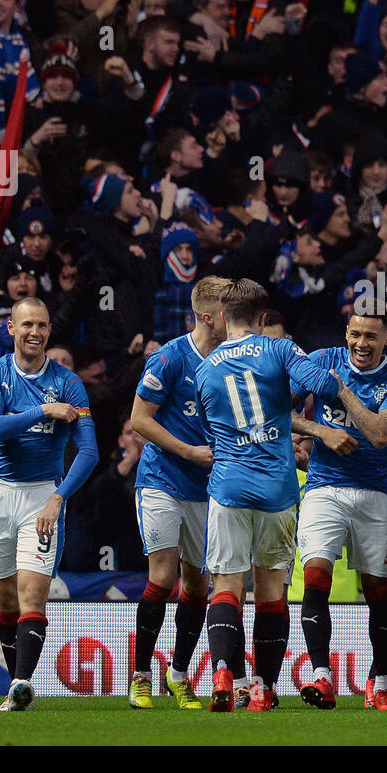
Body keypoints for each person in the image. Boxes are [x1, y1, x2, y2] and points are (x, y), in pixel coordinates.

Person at [193, 278, 344, 713]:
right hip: (277, 488)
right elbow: (325, 386)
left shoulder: (206, 367)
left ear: (223, 317)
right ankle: (261, 688)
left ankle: (223, 671)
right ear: (263, 318)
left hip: (228, 486)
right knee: (270, 591)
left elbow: (210, 427)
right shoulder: (279, 350)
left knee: (225, 585)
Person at [0, 297, 99, 712]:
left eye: (42, 325)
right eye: (27, 324)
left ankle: (21, 685)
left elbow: (89, 452)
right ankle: (16, 685)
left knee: (33, 594)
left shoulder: (69, 382)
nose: (35, 332)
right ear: (11, 328)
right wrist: (43, 410)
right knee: (6, 599)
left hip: (42, 496)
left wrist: (58, 497)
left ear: (49, 331)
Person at [294, 311, 387, 712]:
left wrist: (342, 392)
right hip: (324, 488)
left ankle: (380, 684)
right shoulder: (321, 359)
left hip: (377, 494)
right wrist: (319, 430)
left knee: (380, 593)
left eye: (371, 337)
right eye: (355, 334)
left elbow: (381, 434)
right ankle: (321, 677)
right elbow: (277, 411)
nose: (361, 344)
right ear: (345, 331)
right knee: (315, 579)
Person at [125, 276, 231, 710]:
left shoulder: (232, 361)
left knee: (197, 585)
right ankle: (140, 676)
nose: (236, 319)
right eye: (230, 311)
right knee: (162, 578)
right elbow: (139, 420)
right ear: (208, 316)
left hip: (207, 489)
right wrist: (188, 450)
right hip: (163, 481)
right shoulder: (168, 358)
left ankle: (180, 674)